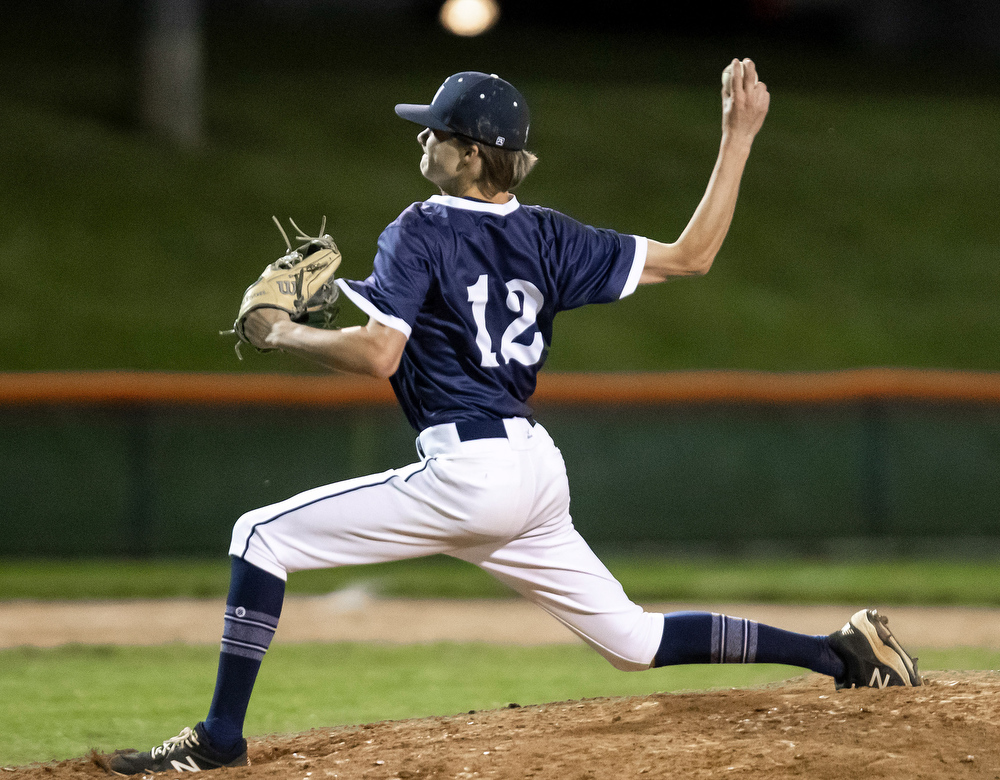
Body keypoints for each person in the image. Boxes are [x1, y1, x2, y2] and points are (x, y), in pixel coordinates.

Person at [108, 62, 920, 775]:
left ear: (469, 154)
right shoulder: (548, 235)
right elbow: (692, 255)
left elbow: (381, 354)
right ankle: (842, 656)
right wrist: (738, 137)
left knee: (260, 535)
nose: (422, 140)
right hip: (534, 471)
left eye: (436, 133)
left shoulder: (419, 227)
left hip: (470, 473)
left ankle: (219, 741)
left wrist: (279, 332)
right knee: (634, 642)